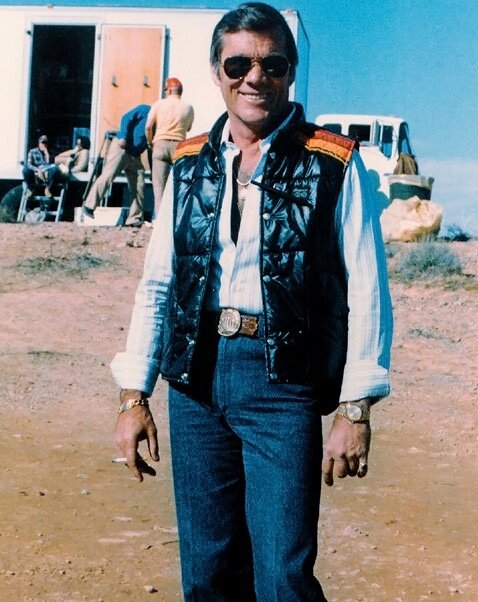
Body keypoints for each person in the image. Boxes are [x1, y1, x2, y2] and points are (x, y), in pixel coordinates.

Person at [111, 3, 393, 600]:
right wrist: (134, 394)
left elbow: (367, 287)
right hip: (194, 381)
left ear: (291, 73)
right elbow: (158, 283)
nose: (254, 78)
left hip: (282, 382)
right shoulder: (190, 163)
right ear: (217, 72)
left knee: (283, 575)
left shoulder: (333, 163)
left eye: (273, 64)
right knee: (207, 574)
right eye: (238, 64)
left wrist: (356, 408)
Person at [82, 105, 150, 227]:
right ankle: (89, 206)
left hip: (135, 154)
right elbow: (126, 117)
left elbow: (152, 149)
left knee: (139, 184)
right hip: (121, 148)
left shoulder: (161, 127)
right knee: (109, 175)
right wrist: (123, 136)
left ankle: (134, 218)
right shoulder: (146, 109)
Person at [145, 77, 194, 218]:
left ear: (170, 90)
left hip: (160, 143)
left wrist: (150, 142)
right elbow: (188, 128)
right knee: (179, 185)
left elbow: (148, 126)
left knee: (159, 187)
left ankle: (160, 221)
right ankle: (177, 219)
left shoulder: (159, 104)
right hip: (179, 146)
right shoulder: (188, 107)